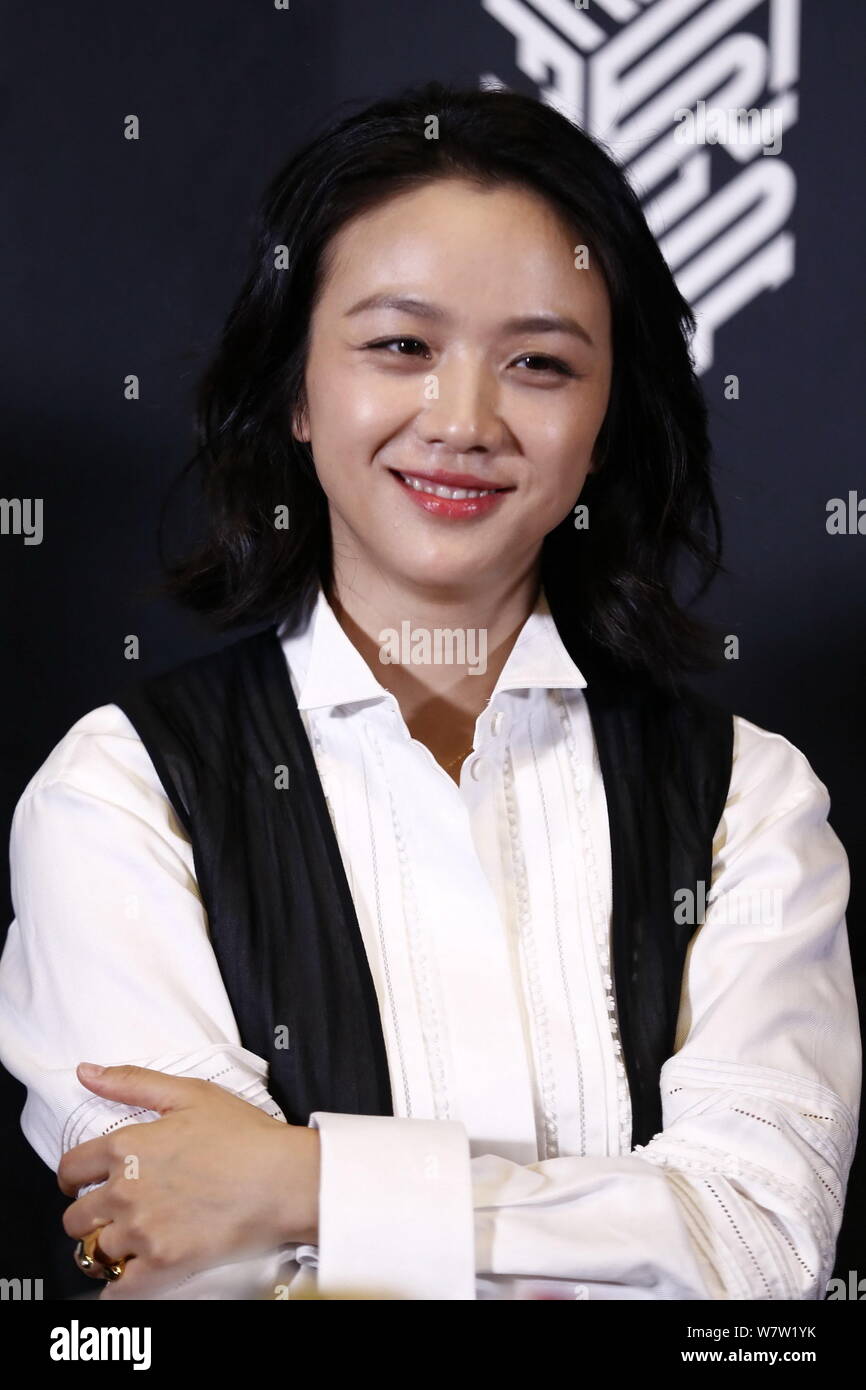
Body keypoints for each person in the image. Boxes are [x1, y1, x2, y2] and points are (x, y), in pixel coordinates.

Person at [0, 80, 859, 1302]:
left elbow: (756, 1253)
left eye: (539, 362)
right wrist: (615, 1228)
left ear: (606, 422)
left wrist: (305, 1185)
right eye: (400, 345)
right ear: (296, 391)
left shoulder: (745, 798)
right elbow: (199, 1269)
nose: (462, 419)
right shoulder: (125, 789)